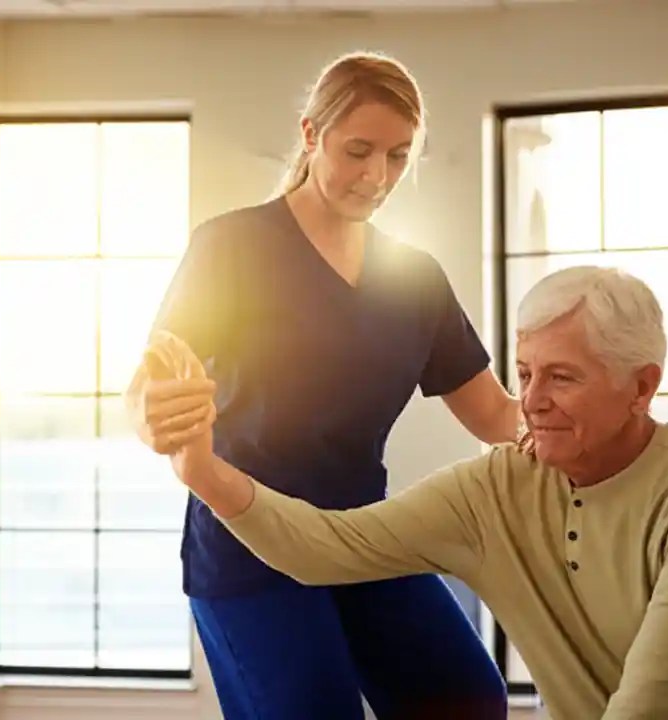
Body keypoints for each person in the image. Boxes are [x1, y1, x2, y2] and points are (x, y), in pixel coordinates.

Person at [160, 265, 668, 720]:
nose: (531, 402)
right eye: (526, 372)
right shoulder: (499, 486)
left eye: (562, 377)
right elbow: (329, 547)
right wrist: (204, 472)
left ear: (642, 387)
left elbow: (649, 709)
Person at [125, 51, 522, 718]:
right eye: (359, 150)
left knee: (469, 700)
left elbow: (494, 415)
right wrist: (155, 415)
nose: (378, 176)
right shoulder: (232, 248)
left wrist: (590, 410)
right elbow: (148, 389)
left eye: (398, 157)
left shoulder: (414, 277)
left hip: (364, 539)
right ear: (311, 135)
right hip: (247, 550)